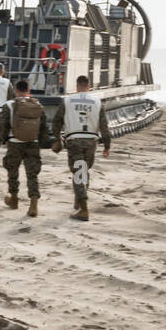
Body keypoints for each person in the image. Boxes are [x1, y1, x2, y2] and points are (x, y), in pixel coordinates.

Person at [51, 74, 111, 221]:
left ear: (77, 86)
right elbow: (104, 125)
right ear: (89, 86)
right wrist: (107, 145)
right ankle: (79, 199)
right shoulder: (97, 102)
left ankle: (84, 209)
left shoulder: (68, 100)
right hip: (91, 140)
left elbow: (57, 121)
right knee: (84, 169)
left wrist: (58, 138)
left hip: (74, 139)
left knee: (78, 171)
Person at [0, 80, 47, 217]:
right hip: (33, 142)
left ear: (16, 91)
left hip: (15, 142)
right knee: (32, 174)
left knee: (12, 171)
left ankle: (14, 199)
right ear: (28, 90)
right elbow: (44, 126)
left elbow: (2, 125)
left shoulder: (9, 105)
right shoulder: (37, 105)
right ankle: (33, 205)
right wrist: (41, 142)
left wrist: (4, 140)